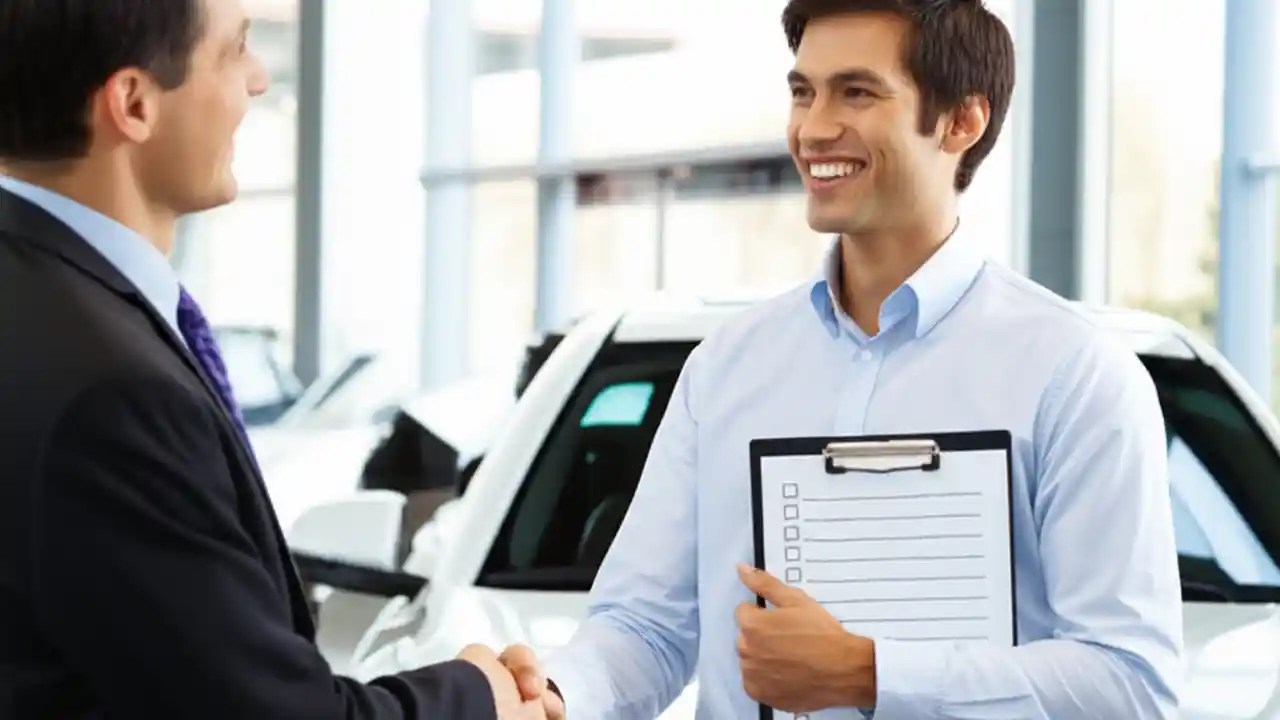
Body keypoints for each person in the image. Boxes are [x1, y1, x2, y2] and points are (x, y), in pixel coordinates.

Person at [503, 0, 1184, 717]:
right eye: (803, 92)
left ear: (963, 120)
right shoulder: (725, 369)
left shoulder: (1074, 374)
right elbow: (646, 627)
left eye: (856, 92)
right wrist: (555, 693)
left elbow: (1130, 682)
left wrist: (869, 674)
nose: (813, 127)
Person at [0, 1, 555, 718]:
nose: (258, 81)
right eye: (236, 52)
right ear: (133, 104)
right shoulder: (113, 391)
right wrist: (478, 695)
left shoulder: (45, 303)